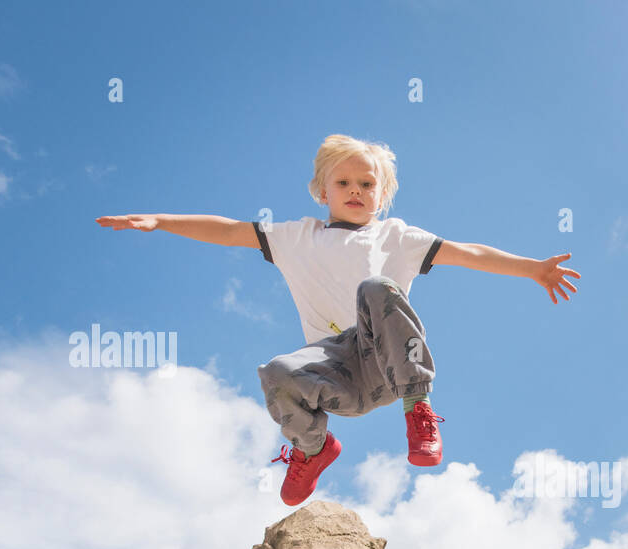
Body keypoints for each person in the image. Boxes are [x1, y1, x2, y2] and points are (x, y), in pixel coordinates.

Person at [96, 133, 581, 504]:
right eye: (344, 183)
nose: (355, 191)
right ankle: (312, 449)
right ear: (321, 189)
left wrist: (532, 269)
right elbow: (227, 231)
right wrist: (161, 221)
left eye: (367, 184)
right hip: (339, 378)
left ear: (382, 193)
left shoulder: (397, 237)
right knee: (278, 372)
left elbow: (470, 253)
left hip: (388, 362)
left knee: (374, 289)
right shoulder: (295, 237)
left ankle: (419, 410)